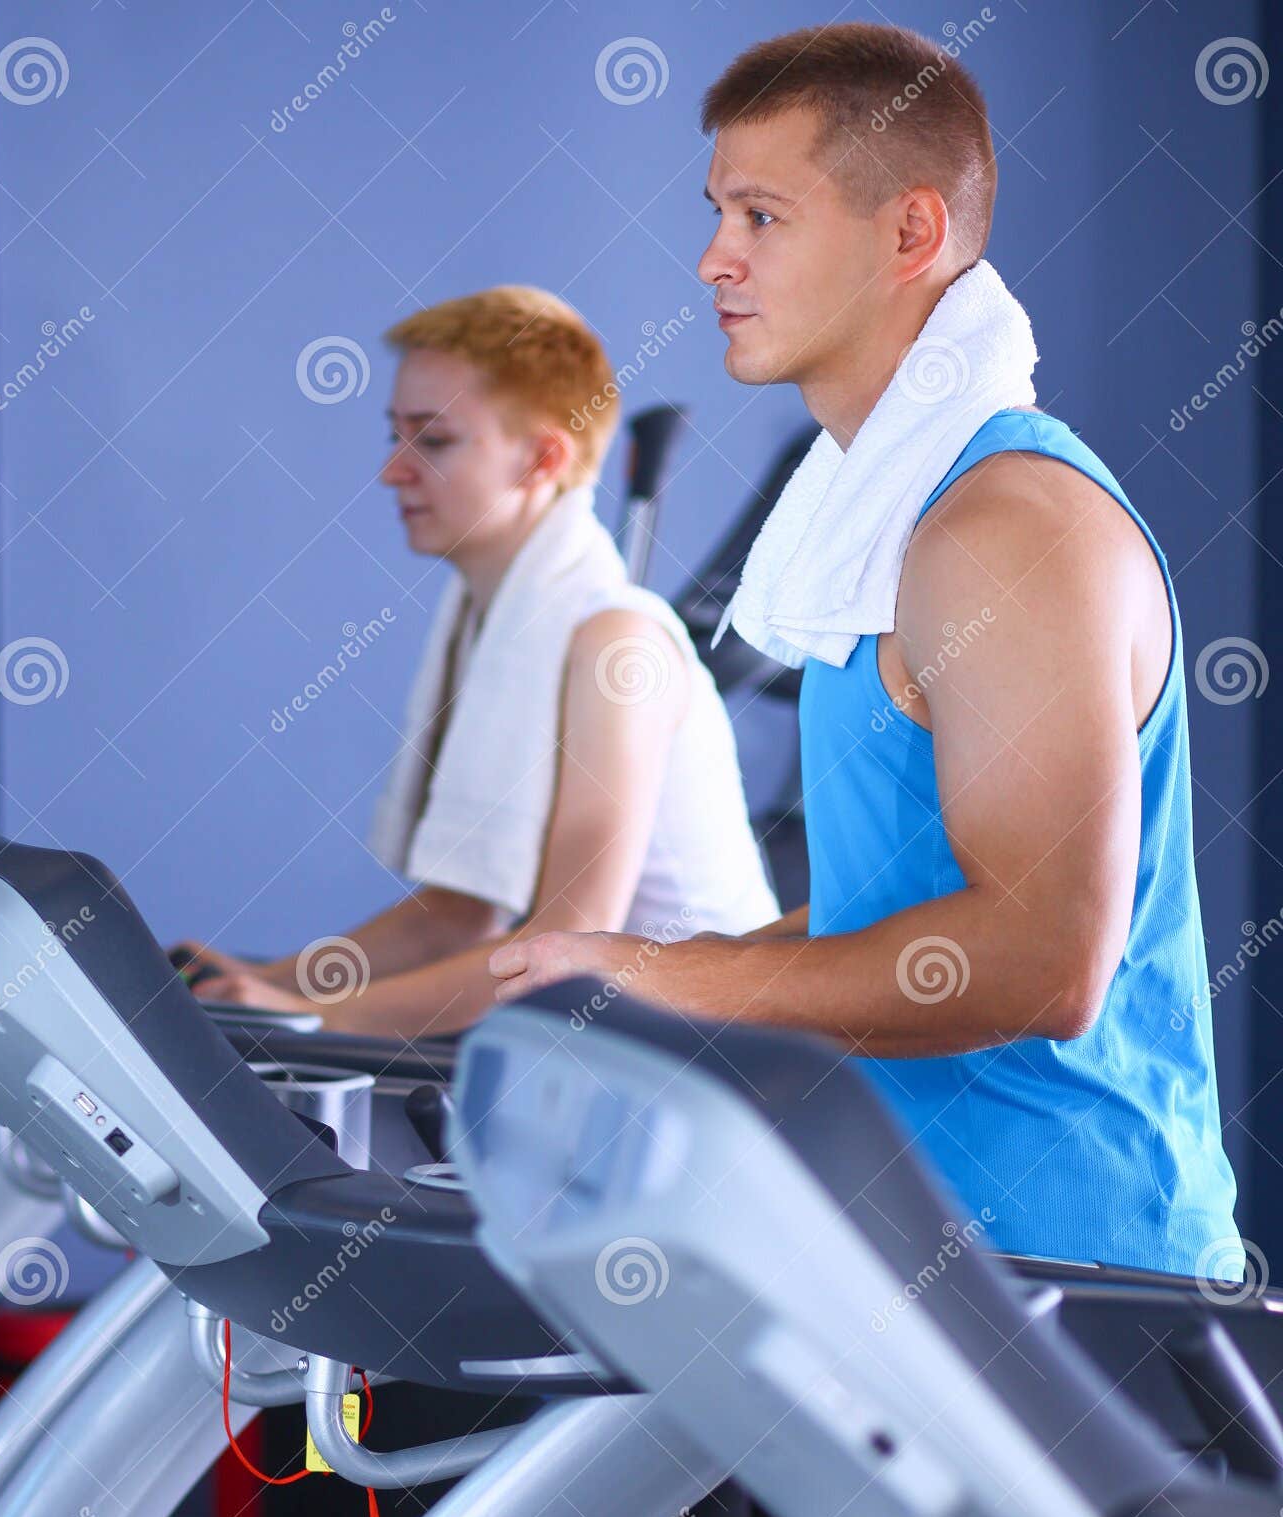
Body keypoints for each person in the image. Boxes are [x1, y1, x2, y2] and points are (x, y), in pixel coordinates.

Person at [491, 24, 1242, 1280]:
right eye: (718, 212)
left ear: (908, 234)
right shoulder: (885, 522)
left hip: (1084, 1290)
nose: (712, 258)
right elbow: (884, 913)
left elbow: (1040, 959)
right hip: (912, 1268)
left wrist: (665, 984)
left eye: (762, 216)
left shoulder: (1002, 530)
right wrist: (650, 974)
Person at [180, 285, 778, 1038]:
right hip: (609, 1053)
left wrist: (307, 1014)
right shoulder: (488, 624)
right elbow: (458, 915)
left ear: (543, 458)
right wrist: (257, 982)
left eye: (432, 441)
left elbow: (573, 948)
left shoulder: (616, 645)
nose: (392, 472)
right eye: (394, 436)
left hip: (718, 1067)